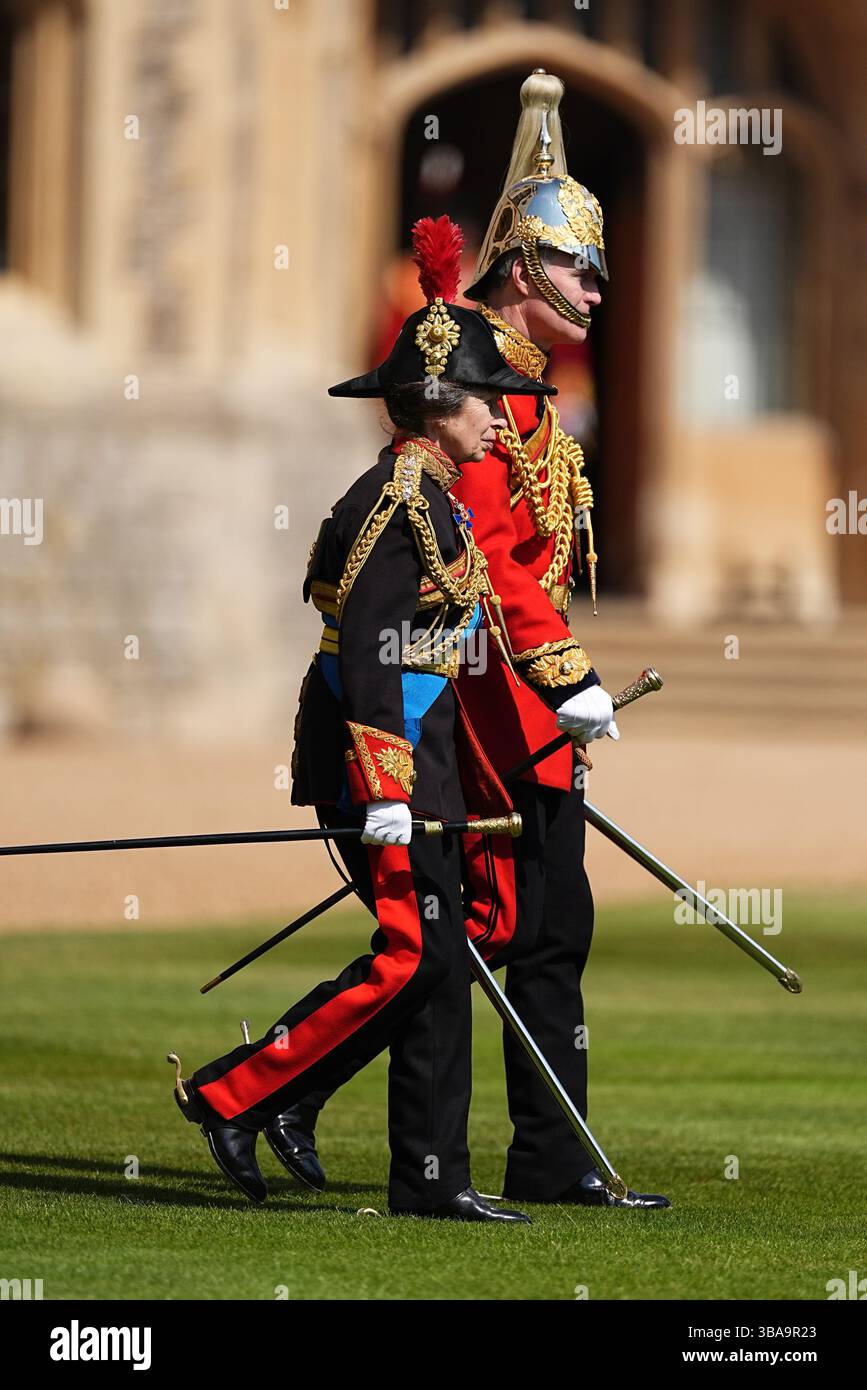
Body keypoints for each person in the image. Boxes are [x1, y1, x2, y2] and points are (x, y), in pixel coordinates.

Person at [273, 71, 670, 1211]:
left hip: (524, 720)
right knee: (466, 939)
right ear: (517, 265)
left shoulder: (534, 387)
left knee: (538, 931)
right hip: (474, 716)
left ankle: (549, 1154)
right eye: (576, 267)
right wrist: (570, 684)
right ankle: (299, 1097)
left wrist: (564, 704)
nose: (597, 286)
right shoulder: (475, 376)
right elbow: (487, 570)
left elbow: (538, 559)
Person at [168, 217, 554, 1223]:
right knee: (409, 951)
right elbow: (379, 653)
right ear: (440, 404)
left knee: (442, 948)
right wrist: (386, 794)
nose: (500, 421)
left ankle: (403, 1160)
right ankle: (236, 1095)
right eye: (488, 404)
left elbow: (441, 650)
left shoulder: (437, 500)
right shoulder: (397, 503)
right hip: (377, 760)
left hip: (422, 761)